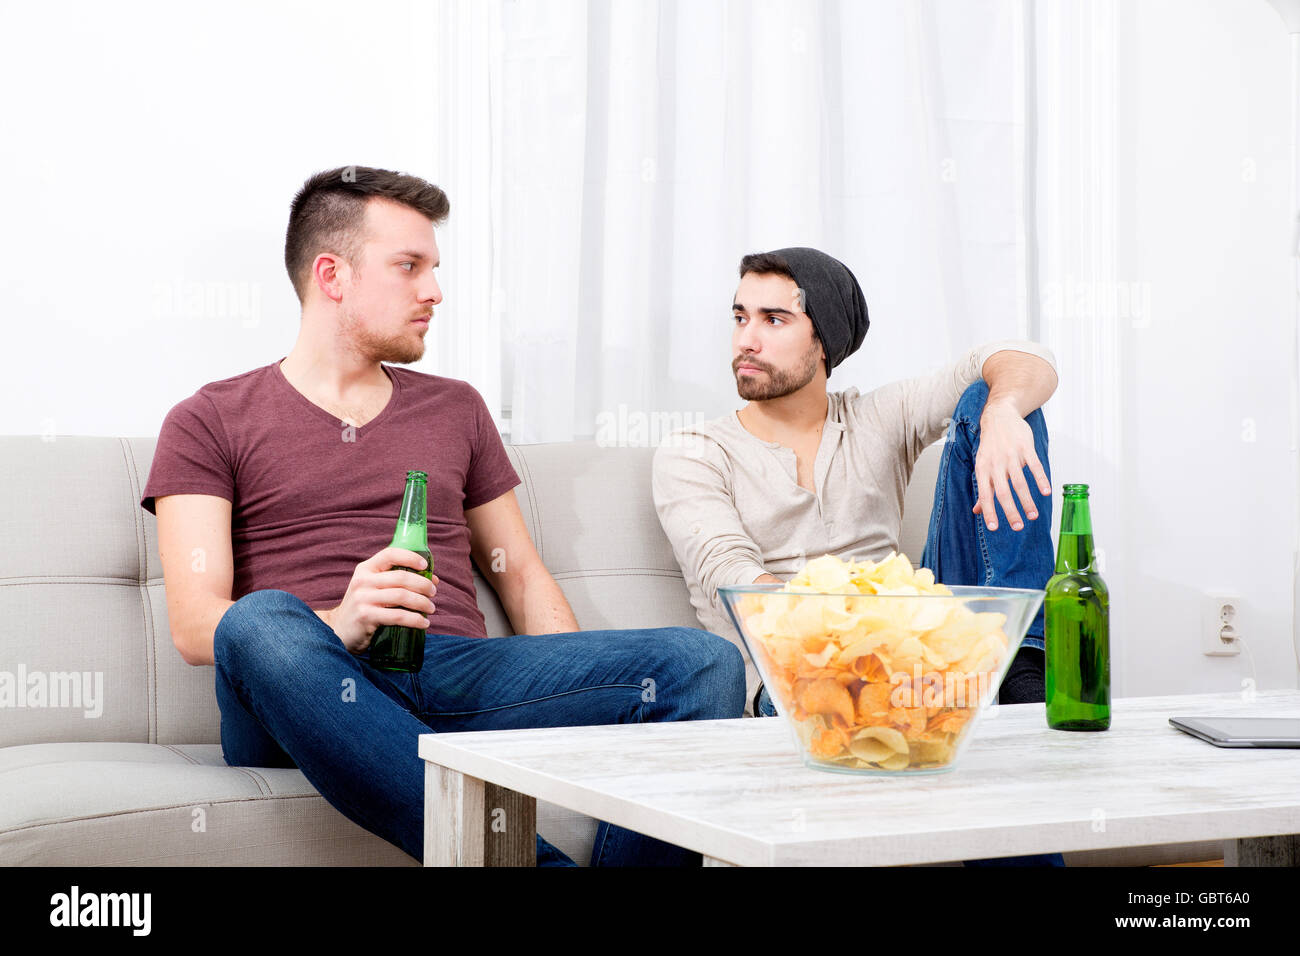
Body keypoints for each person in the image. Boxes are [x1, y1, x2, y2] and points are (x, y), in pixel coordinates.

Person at [140, 165, 746, 867]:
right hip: (302, 686)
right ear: (332, 276)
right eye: (410, 267)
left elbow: (517, 572)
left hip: (455, 672)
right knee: (259, 618)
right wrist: (340, 622)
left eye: (435, 267)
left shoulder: (455, 407)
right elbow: (195, 624)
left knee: (702, 663)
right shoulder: (209, 418)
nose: (435, 290)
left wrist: (575, 704)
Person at [651, 246, 1064, 867]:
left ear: (826, 342)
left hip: (915, 652)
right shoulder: (694, 451)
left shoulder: (875, 418)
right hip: (798, 681)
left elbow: (1022, 358)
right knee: (966, 736)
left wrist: (1006, 410)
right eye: (739, 318)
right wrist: (888, 660)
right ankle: (986, 697)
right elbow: (736, 581)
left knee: (991, 401)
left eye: (774, 319)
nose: (747, 339)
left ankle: (1020, 670)